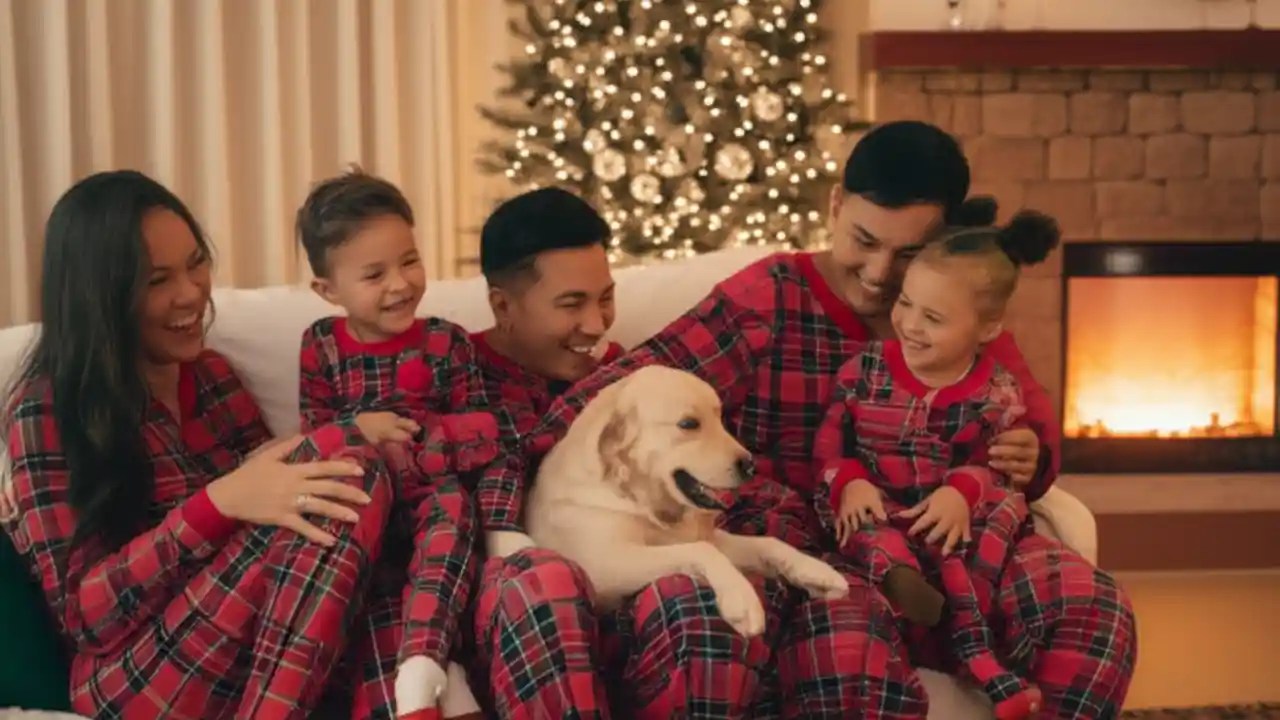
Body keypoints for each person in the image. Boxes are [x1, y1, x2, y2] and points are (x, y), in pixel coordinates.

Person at [481, 120, 1138, 718]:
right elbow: (628, 390)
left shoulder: (961, 310)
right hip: (818, 541)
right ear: (833, 206)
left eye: (908, 255)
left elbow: (1025, 423)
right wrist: (501, 479)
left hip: (955, 537)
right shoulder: (769, 296)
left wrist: (1033, 454)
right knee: (833, 640)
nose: (880, 275)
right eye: (864, 241)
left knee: (1095, 610)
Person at [1, 170, 389, 719]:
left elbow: (280, 548)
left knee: (349, 479)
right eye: (157, 280)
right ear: (101, 296)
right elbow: (84, 616)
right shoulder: (48, 409)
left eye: (195, 263)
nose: (190, 293)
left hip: (255, 661)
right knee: (344, 474)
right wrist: (218, 504)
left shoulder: (213, 378)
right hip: (131, 678)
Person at [470, 187, 768, 718]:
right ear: (502, 305)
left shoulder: (632, 383)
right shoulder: (457, 378)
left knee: (694, 598)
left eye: (605, 297)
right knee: (545, 585)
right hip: (520, 610)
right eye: (571, 304)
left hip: (635, 607)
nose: (596, 324)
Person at [815, 211, 1063, 720]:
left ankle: (979, 658)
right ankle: (900, 579)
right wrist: (849, 481)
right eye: (906, 303)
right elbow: (830, 442)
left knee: (970, 545)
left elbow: (993, 463)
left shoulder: (996, 393)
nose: (909, 323)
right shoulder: (865, 372)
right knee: (863, 526)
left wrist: (963, 491)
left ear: (988, 327)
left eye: (933, 317)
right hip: (881, 501)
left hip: (951, 514)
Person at [294, 169, 494, 720]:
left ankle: (424, 662)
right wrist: (362, 432)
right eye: (374, 274)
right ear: (328, 290)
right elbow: (314, 439)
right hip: (366, 515)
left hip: (434, 505)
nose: (400, 284)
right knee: (372, 599)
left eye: (409, 260)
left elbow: (483, 432)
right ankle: (426, 683)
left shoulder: (444, 341)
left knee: (453, 503)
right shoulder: (321, 347)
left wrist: (422, 444)